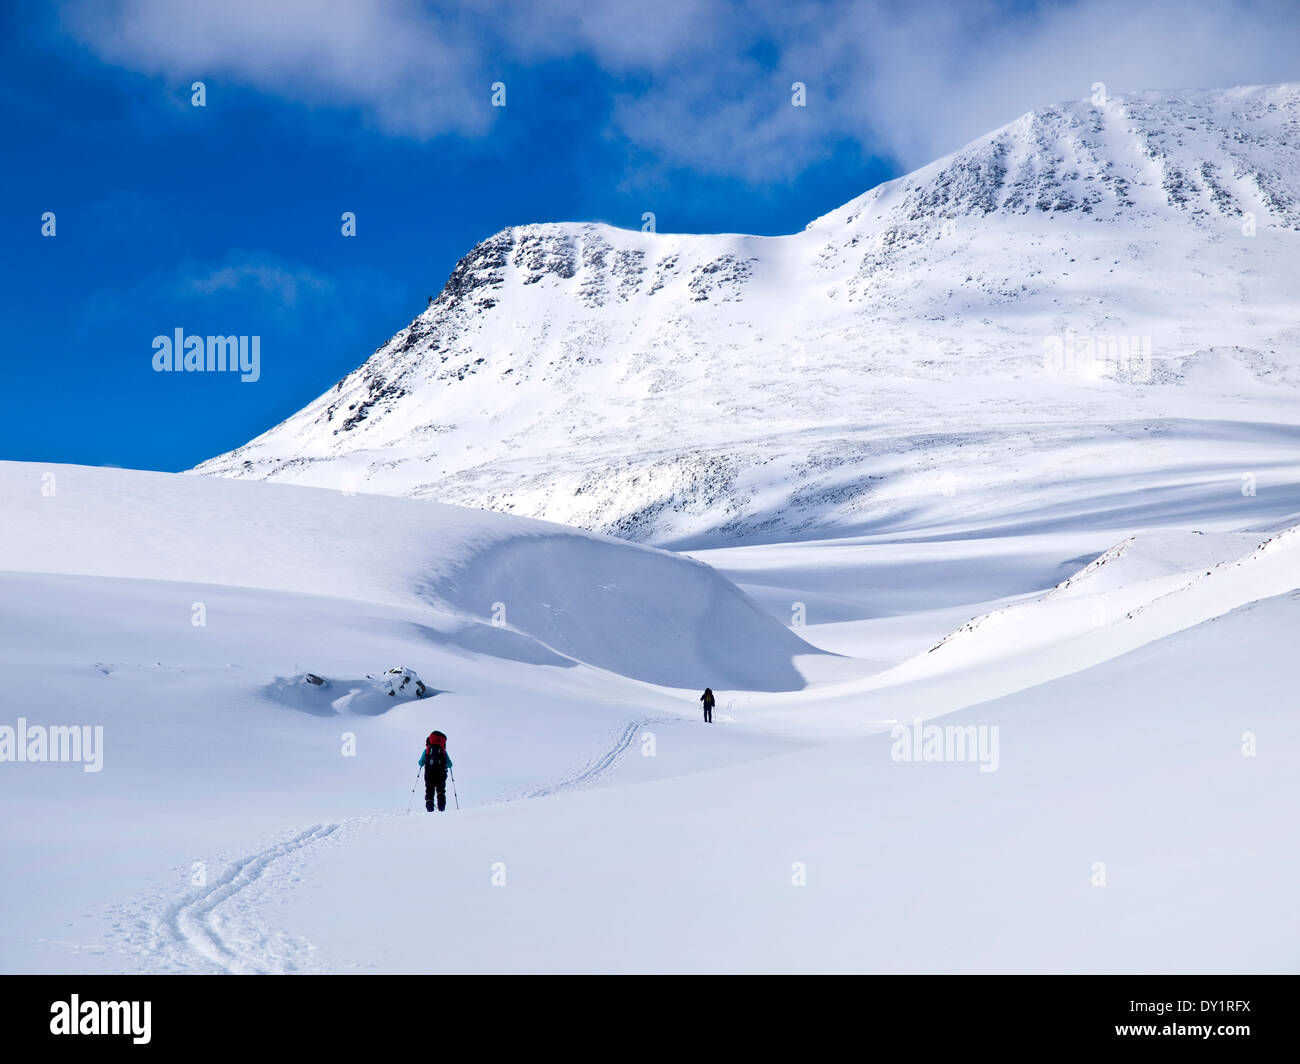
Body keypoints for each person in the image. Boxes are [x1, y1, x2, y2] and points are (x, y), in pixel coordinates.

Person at [419, 730, 453, 812]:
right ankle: (441, 810)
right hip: (441, 773)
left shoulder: (427, 749)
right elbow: (450, 764)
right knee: (441, 791)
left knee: (429, 791)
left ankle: (430, 811)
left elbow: (420, 763)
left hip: (429, 773)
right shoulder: (443, 750)